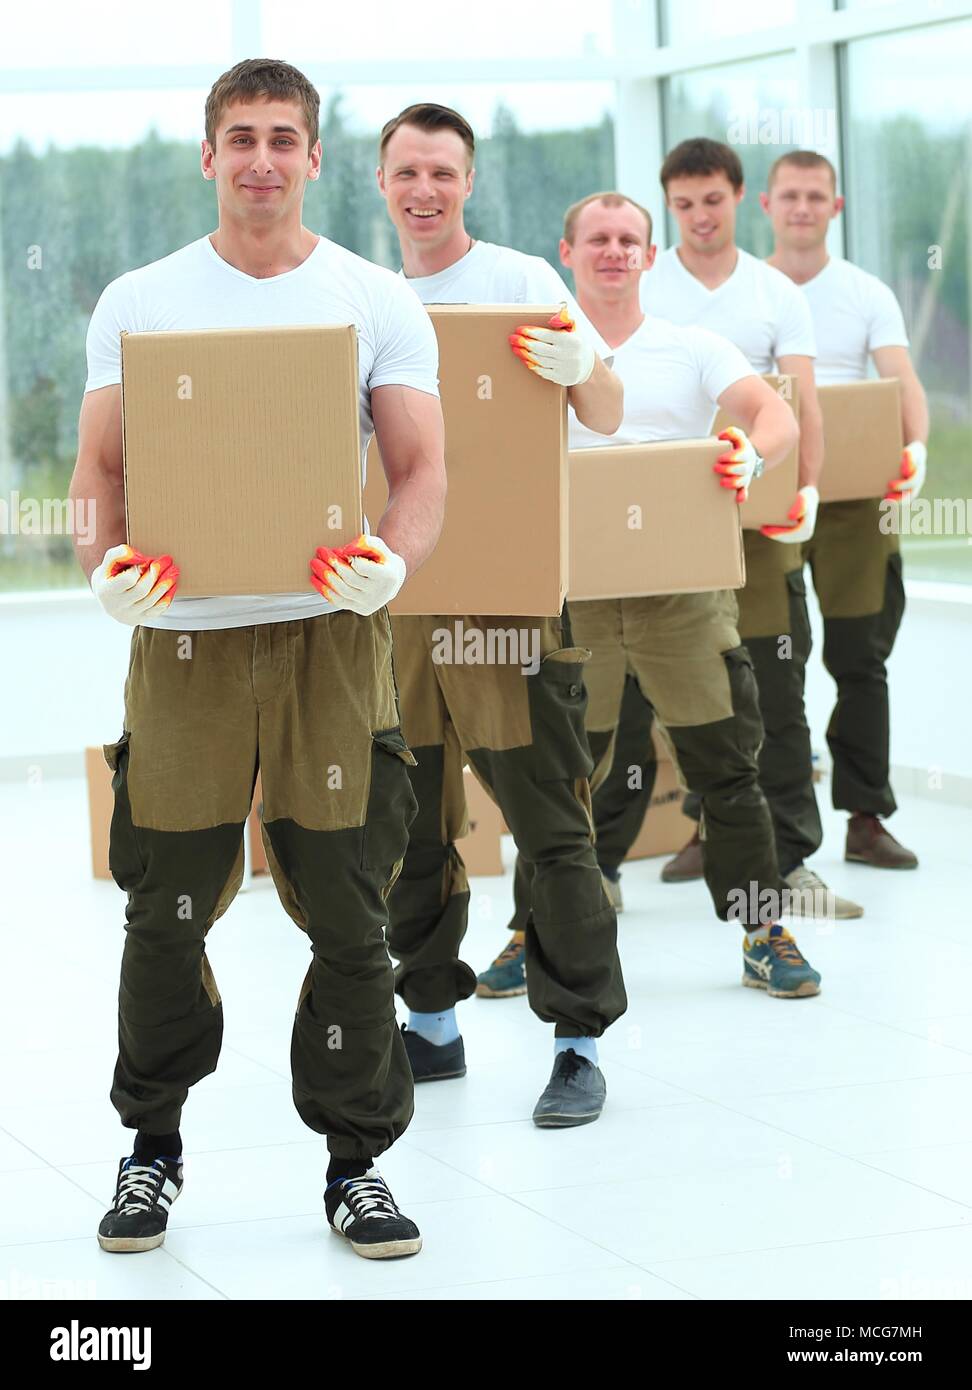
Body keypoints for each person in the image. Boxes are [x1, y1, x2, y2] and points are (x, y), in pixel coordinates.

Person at [69, 60, 446, 1261]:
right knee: (166, 910)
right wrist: (100, 567)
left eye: (285, 137)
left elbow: (423, 470)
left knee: (349, 912)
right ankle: (152, 1147)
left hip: (330, 642)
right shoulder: (141, 298)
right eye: (240, 137)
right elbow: (99, 477)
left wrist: (396, 562)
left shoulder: (375, 295)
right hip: (184, 642)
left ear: (316, 157)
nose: (262, 158)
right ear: (208, 155)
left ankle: (358, 1162)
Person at [496, 190, 825, 999]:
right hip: (577, 599)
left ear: (649, 257)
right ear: (567, 253)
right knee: (562, 775)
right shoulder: (539, 351)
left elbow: (771, 416)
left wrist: (753, 452)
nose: (614, 251)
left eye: (629, 240)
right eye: (598, 238)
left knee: (727, 767)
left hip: (684, 597)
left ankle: (762, 930)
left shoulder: (693, 346)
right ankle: (526, 929)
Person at [376, 103, 627, 1125]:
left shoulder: (519, 280)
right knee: (409, 826)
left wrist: (583, 366)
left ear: (467, 181)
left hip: (511, 608)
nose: (424, 189)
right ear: (382, 180)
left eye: (443, 171)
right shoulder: (364, 294)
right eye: (407, 172)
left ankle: (578, 1041)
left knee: (551, 826)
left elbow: (605, 412)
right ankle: (432, 1024)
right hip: (399, 607)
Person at [614, 138, 862, 918]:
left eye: (712, 201)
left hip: (756, 523)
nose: (699, 218)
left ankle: (789, 863)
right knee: (636, 701)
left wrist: (810, 489)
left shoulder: (773, 291)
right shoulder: (643, 284)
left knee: (772, 688)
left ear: (738, 197)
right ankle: (636, 856)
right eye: (682, 205)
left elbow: (803, 403)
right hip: (659, 529)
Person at [761, 149, 926, 868]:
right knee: (765, 662)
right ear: (765, 205)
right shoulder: (747, 289)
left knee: (860, 660)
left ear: (837, 207)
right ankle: (735, 823)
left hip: (856, 502)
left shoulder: (866, 292)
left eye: (816, 196)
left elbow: (901, 380)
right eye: (789, 195)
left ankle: (865, 816)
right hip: (769, 494)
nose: (802, 207)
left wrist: (916, 449)